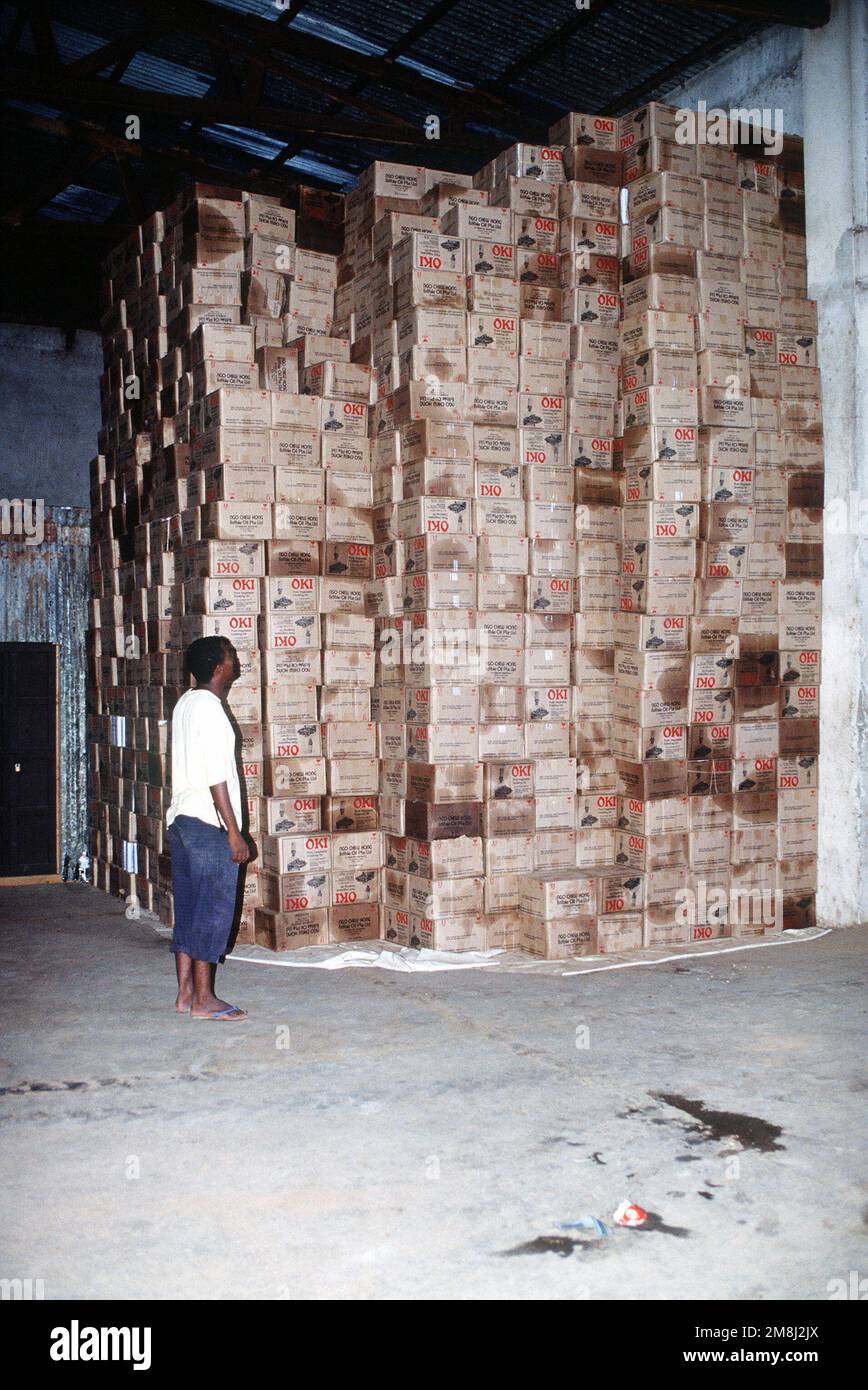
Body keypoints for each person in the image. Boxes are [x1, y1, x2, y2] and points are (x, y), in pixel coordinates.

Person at [166, 636, 251, 1020]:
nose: (235, 662)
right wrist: (233, 831)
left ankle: (185, 993)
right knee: (212, 911)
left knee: (187, 910)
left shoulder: (186, 703)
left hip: (181, 821)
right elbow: (217, 776)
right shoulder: (211, 710)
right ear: (219, 668)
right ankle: (204, 999)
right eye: (231, 657)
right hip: (207, 826)